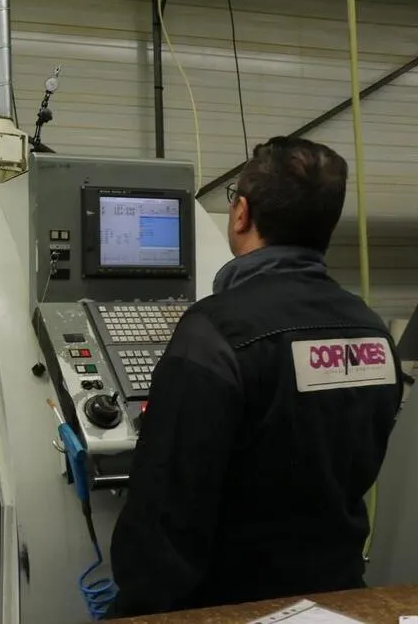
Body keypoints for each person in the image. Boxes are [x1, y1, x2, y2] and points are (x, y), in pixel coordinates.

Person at [106, 137, 404, 617]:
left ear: (241, 214)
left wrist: (136, 608)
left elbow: (162, 515)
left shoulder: (214, 333)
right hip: (334, 598)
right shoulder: (371, 330)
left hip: (230, 604)